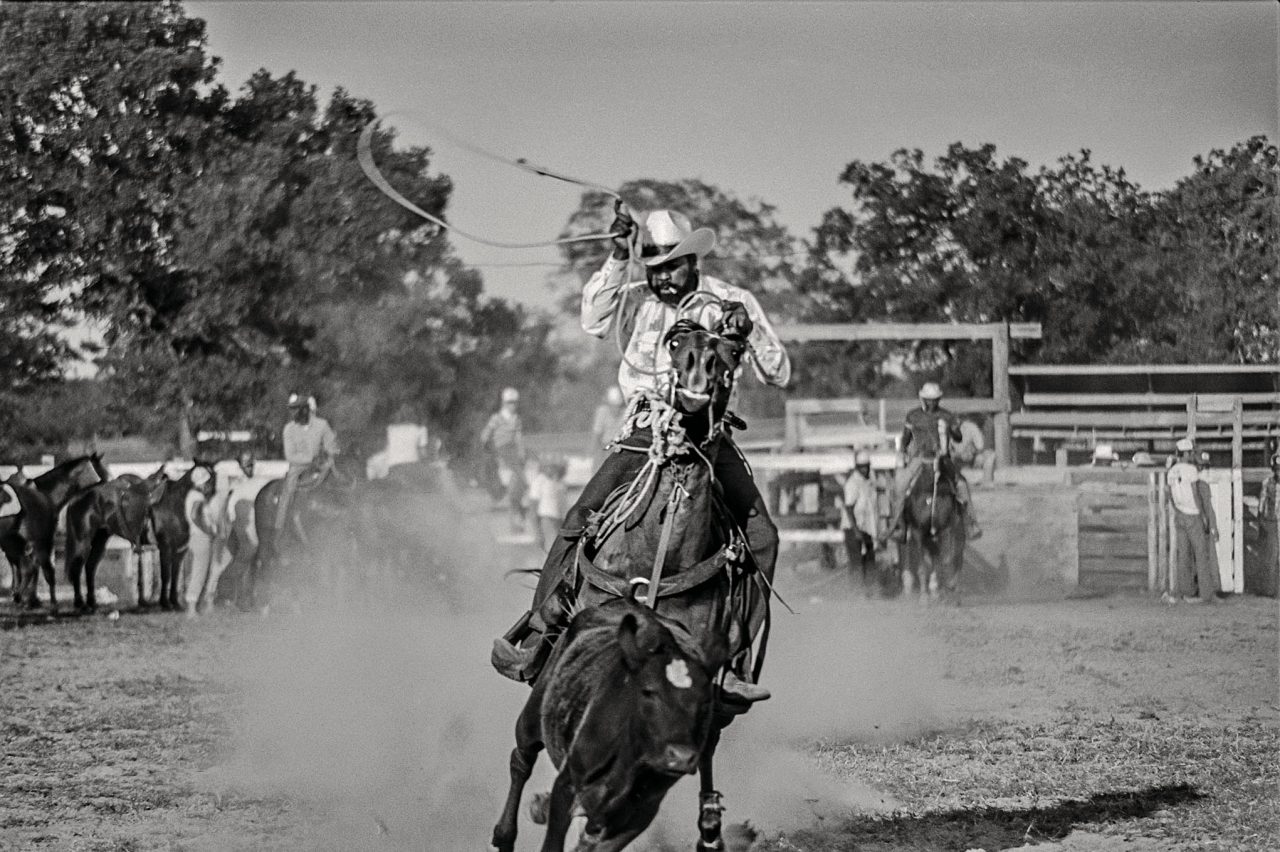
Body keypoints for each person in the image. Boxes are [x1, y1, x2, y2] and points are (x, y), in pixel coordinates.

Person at [492, 204, 791, 702]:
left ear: (693, 260)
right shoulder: (634, 299)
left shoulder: (732, 301)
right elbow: (592, 320)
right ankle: (540, 636)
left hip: (710, 441)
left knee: (763, 538)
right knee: (577, 518)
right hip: (642, 434)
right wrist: (616, 257)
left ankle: (731, 664)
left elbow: (778, 372)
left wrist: (748, 332)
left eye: (672, 267)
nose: (663, 278)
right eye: (654, 268)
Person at [883, 383, 981, 543]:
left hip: (943, 458)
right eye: (928, 399)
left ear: (939, 399)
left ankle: (970, 523)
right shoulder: (913, 415)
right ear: (922, 399)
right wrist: (902, 452)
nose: (931, 402)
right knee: (900, 486)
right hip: (920, 458)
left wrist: (952, 430)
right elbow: (906, 437)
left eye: (935, 399)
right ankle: (898, 526)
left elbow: (958, 437)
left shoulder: (947, 415)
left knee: (962, 485)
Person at [273, 392, 339, 547]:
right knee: (288, 491)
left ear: (305, 409)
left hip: (322, 464)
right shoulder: (289, 429)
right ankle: (280, 529)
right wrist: (310, 459)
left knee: (340, 479)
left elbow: (331, 445)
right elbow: (290, 455)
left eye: (296, 408)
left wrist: (330, 455)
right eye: (292, 409)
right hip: (299, 467)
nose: (293, 412)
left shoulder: (322, 425)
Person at [1165, 437, 1218, 604]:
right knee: (1201, 554)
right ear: (1186, 453)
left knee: (1184, 555)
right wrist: (1203, 515)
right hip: (1193, 514)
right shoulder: (1191, 470)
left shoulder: (1171, 471)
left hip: (1180, 514)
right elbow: (1195, 494)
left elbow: (1170, 495)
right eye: (1190, 453)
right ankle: (1206, 594)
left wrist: (1177, 510)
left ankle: (1186, 591)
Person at [218, 451, 270, 607]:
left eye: (250, 464)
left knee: (250, 561)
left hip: (255, 525)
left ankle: (245, 598)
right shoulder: (238, 486)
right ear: (240, 467)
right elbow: (227, 509)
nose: (249, 468)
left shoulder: (261, 481)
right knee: (245, 557)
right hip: (242, 526)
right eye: (246, 465)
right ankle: (226, 592)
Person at [183, 466, 228, 616]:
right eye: (207, 482)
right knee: (200, 572)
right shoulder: (198, 497)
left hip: (196, 537)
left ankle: (194, 605)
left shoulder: (192, 495)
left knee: (198, 571)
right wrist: (208, 531)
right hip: (201, 537)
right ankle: (191, 608)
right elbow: (195, 516)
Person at [479, 387, 526, 522]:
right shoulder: (497, 418)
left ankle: (516, 503)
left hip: (512, 450)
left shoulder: (516, 419)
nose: (513, 405)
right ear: (504, 403)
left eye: (515, 402)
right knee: (518, 477)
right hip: (500, 449)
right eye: (510, 402)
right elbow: (486, 433)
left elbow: (518, 437)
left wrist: (521, 452)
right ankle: (512, 503)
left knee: (520, 478)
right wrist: (485, 444)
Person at [840, 450, 879, 593]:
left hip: (867, 527)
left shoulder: (868, 481)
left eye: (866, 466)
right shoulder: (853, 483)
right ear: (857, 467)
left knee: (869, 560)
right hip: (854, 529)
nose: (865, 469)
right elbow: (849, 508)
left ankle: (869, 590)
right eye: (861, 467)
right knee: (856, 562)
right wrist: (856, 531)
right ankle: (856, 593)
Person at [524, 457, 568, 553]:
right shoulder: (539, 482)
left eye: (556, 467)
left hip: (560, 521)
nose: (553, 469)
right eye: (550, 466)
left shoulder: (558, 483)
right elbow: (533, 508)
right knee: (553, 550)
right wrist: (538, 532)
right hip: (547, 520)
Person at [954, 416, 997, 487]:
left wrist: (972, 451)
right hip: (955, 458)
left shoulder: (970, 427)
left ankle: (987, 482)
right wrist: (957, 454)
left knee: (990, 455)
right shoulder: (944, 427)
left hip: (971, 456)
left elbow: (980, 446)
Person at [589, 385, 626, 462]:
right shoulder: (602, 412)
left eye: (618, 406)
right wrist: (592, 452)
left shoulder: (626, 413)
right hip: (606, 447)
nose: (616, 409)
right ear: (609, 404)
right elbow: (597, 433)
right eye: (614, 406)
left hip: (621, 448)